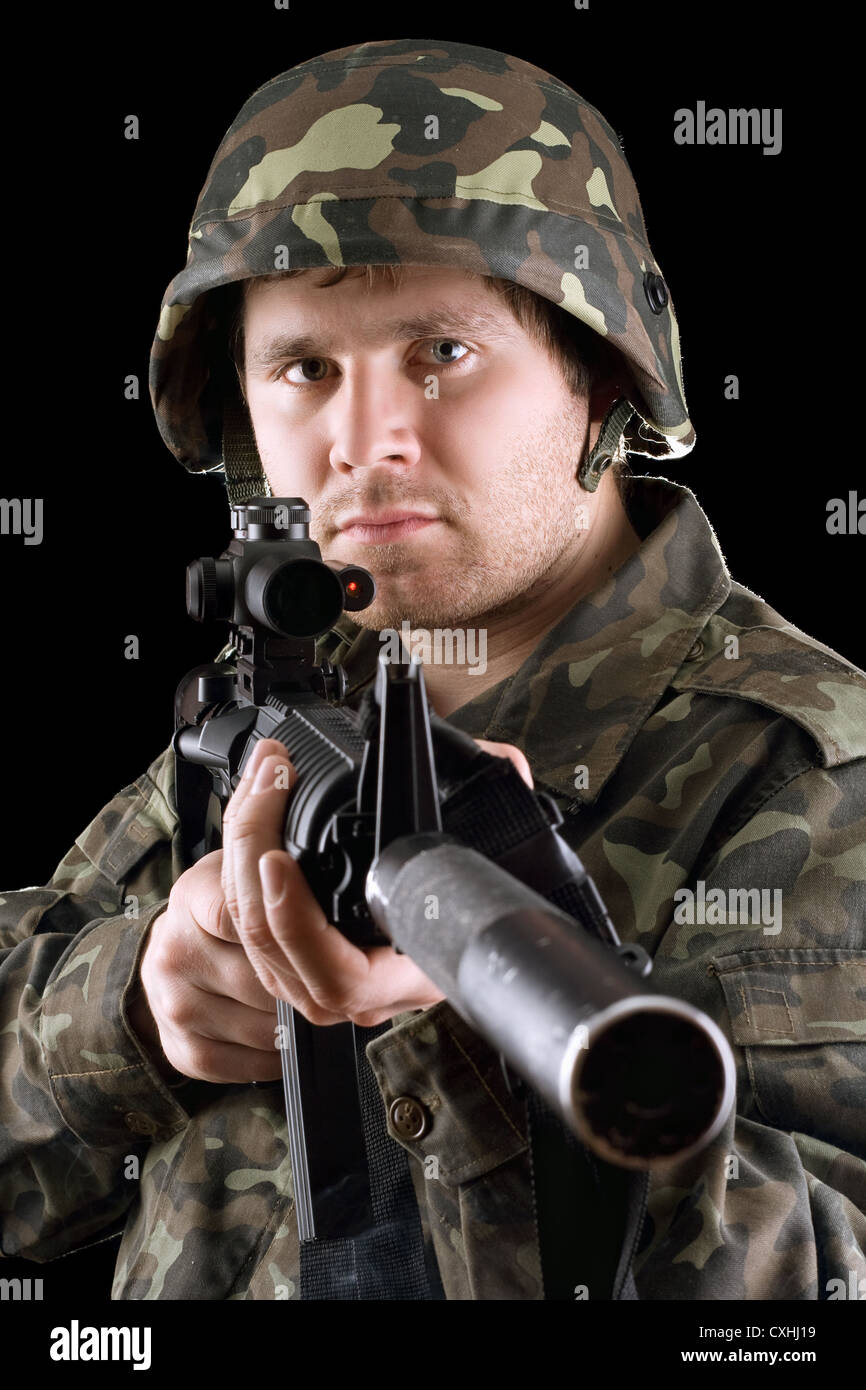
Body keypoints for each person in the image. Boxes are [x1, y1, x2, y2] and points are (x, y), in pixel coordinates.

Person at [1, 37, 864, 1301]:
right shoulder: (299, 716)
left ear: (598, 373)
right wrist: (136, 1015)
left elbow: (809, 1291)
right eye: (304, 369)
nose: (363, 443)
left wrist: (463, 1046)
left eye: (440, 353)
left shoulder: (806, 771)